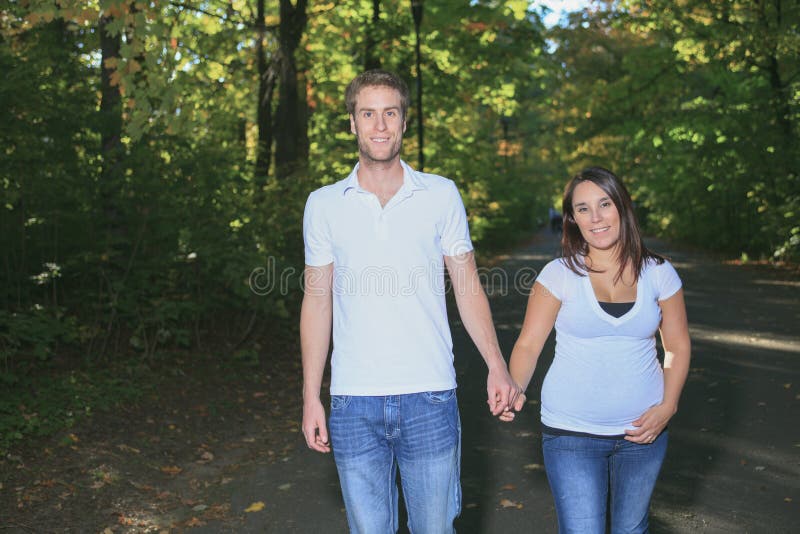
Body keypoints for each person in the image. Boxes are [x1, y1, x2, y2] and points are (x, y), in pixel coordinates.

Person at [300, 69, 519, 534]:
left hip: (430, 396)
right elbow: (317, 303)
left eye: (390, 113)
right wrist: (310, 395)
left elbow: (468, 287)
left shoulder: (440, 195)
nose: (379, 125)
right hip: (352, 403)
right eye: (368, 114)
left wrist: (497, 365)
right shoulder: (323, 204)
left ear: (403, 122)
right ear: (352, 124)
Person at [500, 166, 691, 533]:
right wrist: (515, 388)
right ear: (572, 219)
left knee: (631, 530)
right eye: (583, 208)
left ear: (622, 207)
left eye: (604, 204)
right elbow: (528, 344)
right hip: (571, 433)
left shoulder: (659, 273)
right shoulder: (557, 275)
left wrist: (668, 406)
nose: (596, 217)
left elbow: (678, 346)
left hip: (643, 434)